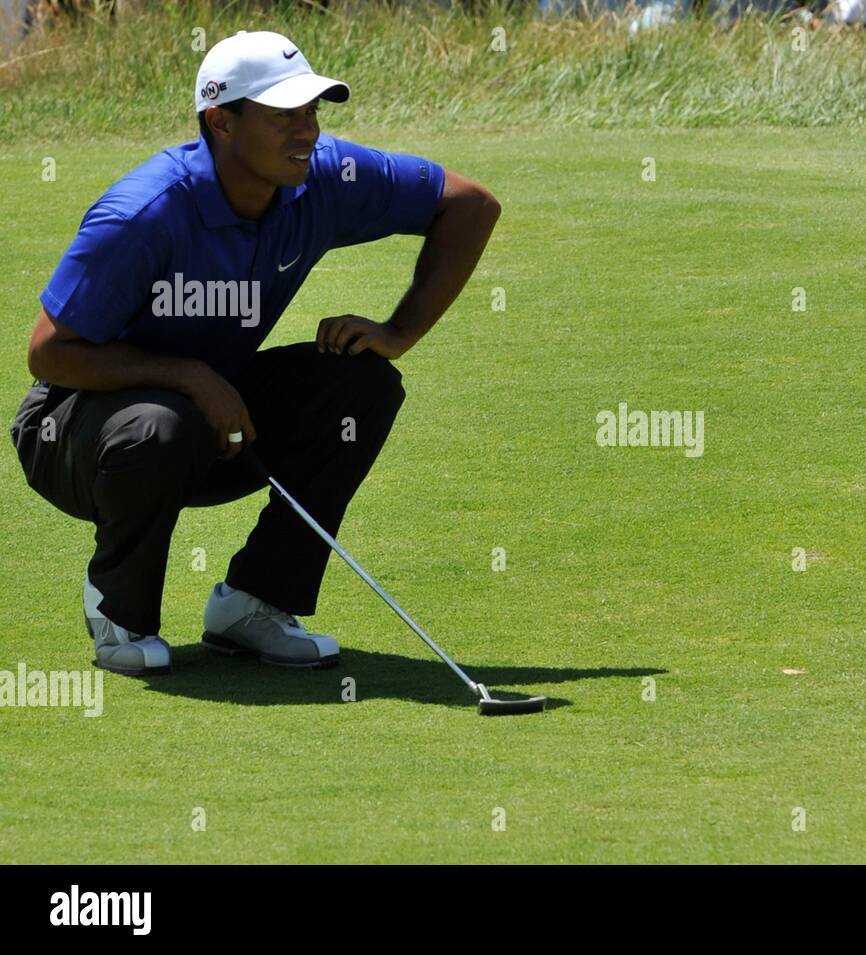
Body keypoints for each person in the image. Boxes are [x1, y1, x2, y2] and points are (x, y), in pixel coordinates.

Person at [10, 29, 501, 676]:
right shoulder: (146, 212)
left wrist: (398, 331)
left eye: (313, 111)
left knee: (362, 383)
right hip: (75, 435)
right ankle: (118, 611)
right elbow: (49, 354)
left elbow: (469, 205)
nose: (308, 131)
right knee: (163, 422)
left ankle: (254, 604)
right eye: (284, 116)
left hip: (218, 421)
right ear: (222, 121)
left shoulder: (321, 178)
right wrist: (185, 376)